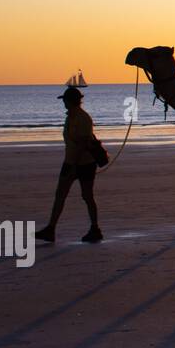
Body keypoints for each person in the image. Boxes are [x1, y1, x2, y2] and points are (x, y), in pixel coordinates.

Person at [36, 87, 105, 243]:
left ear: (70, 101)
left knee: (87, 196)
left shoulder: (83, 118)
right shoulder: (70, 117)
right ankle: (50, 229)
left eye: (65, 101)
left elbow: (82, 144)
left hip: (84, 164)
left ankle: (95, 229)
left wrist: (74, 165)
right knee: (60, 195)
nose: (63, 104)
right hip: (70, 161)